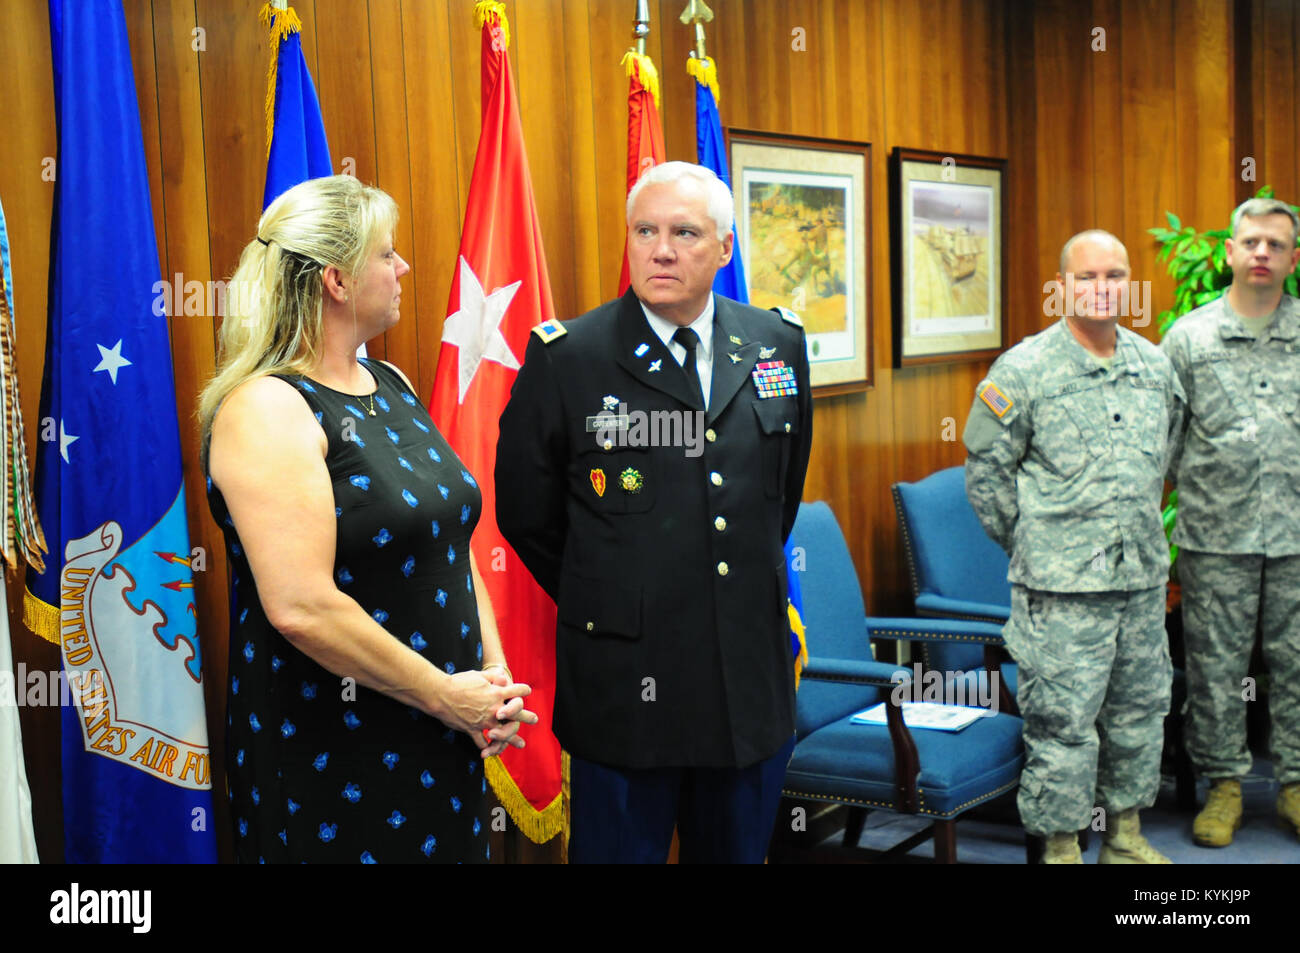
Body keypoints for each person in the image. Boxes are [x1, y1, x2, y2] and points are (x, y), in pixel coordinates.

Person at [199, 175, 536, 863]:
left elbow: (450, 541)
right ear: (337, 281)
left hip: (442, 730)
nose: (403, 266)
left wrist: (491, 679)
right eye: (387, 253)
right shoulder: (266, 408)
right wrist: (447, 694)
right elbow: (301, 606)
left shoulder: (393, 385)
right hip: (333, 745)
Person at [495, 161, 813, 863]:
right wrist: (616, 590)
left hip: (745, 688)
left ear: (725, 248)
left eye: (684, 232)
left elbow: (777, 497)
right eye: (646, 230)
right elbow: (527, 514)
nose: (661, 249)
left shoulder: (776, 343)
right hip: (625, 689)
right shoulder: (570, 357)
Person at [963, 230, 1184, 864]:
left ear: (1130, 284)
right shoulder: (1023, 370)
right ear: (1061, 286)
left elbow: (1161, 460)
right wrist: (1039, 543)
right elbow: (987, 477)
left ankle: (1125, 835)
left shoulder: (1154, 367)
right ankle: (1061, 847)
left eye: (1114, 275)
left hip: (1139, 581)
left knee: (1140, 714)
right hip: (1060, 593)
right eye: (1086, 277)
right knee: (1062, 725)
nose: (1101, 288)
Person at [1161, 197, 1300, 847]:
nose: (1263, 253)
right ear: (1230, 252)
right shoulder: (1188, 338)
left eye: (1276, 243)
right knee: (1215, 668)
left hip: (1298, 538)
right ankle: (1224, 786)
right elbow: (1160, 443)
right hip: (1216, 539)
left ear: (1293, 257)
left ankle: (1296, 782)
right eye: (1252, 242)